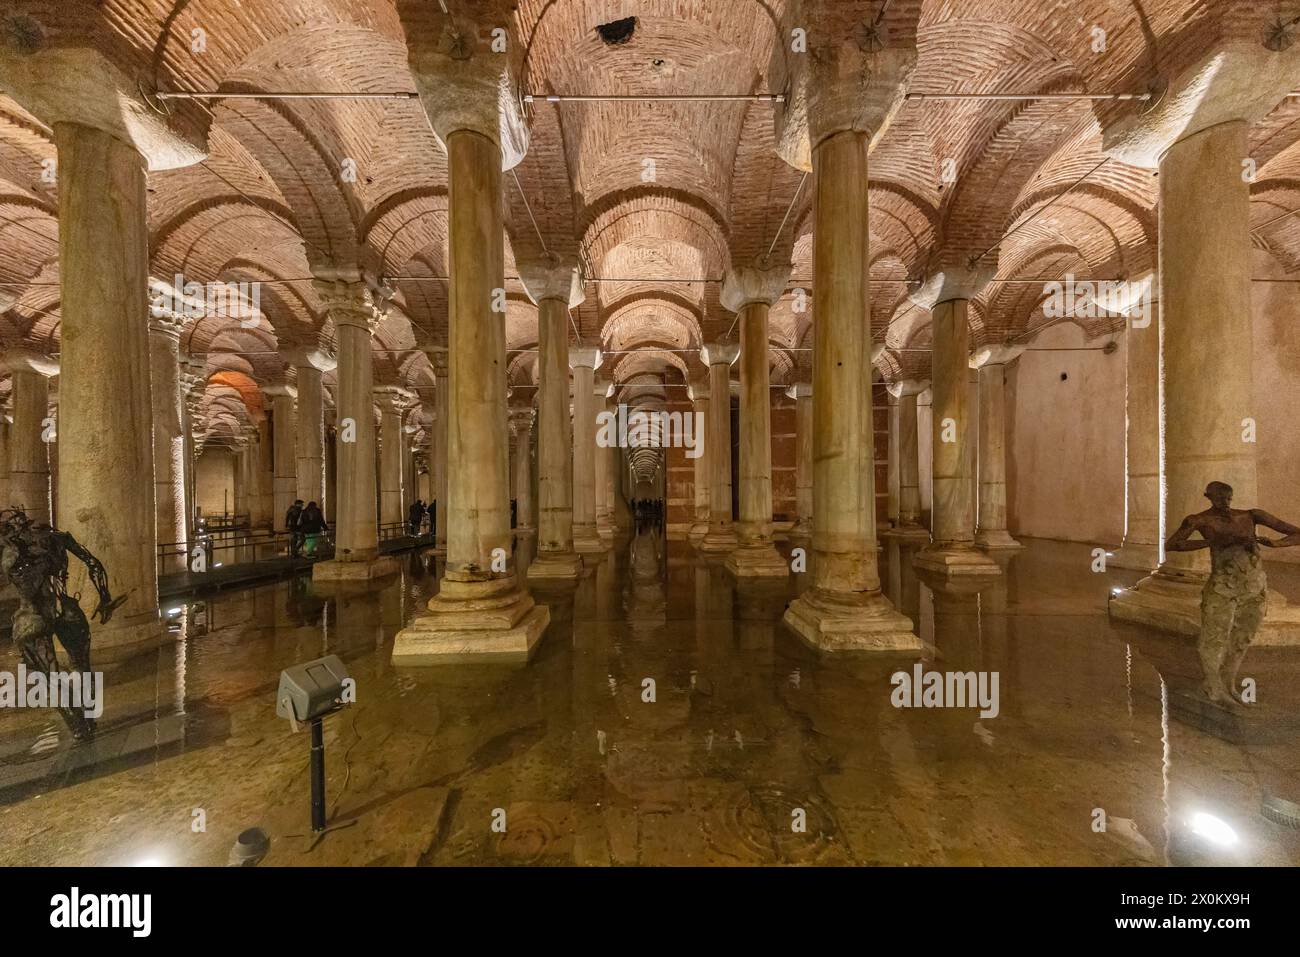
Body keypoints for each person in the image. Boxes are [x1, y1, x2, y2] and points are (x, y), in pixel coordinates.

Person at [1165, 480, 1300, 708]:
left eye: (1228, 498)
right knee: (1214, 636)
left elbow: (1296, 533)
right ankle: (1213, 684)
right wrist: (1211, 541)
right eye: (1220, 498)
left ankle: (1228, 682)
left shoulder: (1251, 515)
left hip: (1253, 586)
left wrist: (1276, 544)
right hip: (1222, 586)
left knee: (1243, 636)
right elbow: (1173, 544)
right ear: (1208, 496)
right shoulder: (1199, 520)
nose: (1225, 503)